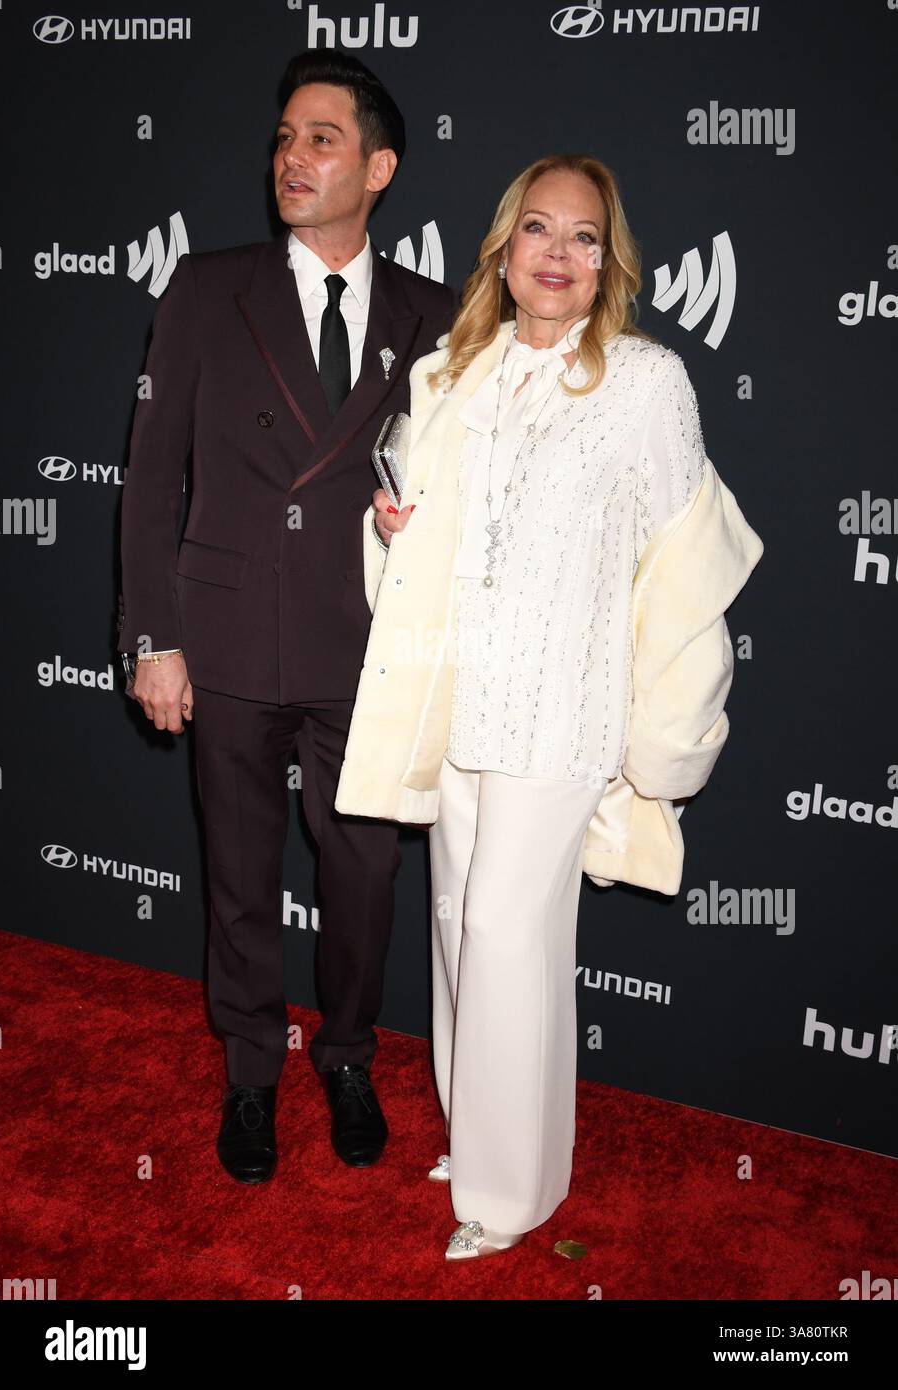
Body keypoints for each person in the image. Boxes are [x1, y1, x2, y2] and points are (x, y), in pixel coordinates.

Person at [335, 154, 763, 1257]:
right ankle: (477, 1137)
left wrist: (664, 737)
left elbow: (686, 567)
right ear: (505, 249)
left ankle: (511, 1194)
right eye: (538, 230)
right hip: (458, 694)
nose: (558, 255)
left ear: (608, 258)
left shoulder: (645, 379)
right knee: (451, 928)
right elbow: (423, 528)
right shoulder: (456, 368)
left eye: (583, 236)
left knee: (509, 936)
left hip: (560, 710)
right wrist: (393, 535)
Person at [117, 50, 457, 1184]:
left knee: (364, 877)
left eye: (320, 138)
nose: (292, 158)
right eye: (283, 139)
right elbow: (150, 476)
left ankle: (349, 1055)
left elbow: (461, 483)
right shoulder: (207, 289)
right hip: (228, 636)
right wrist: (152, 638)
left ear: (381, 165)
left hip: (368, 647)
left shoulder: (434, 315)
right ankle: (253, 1071)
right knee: (239, 871)